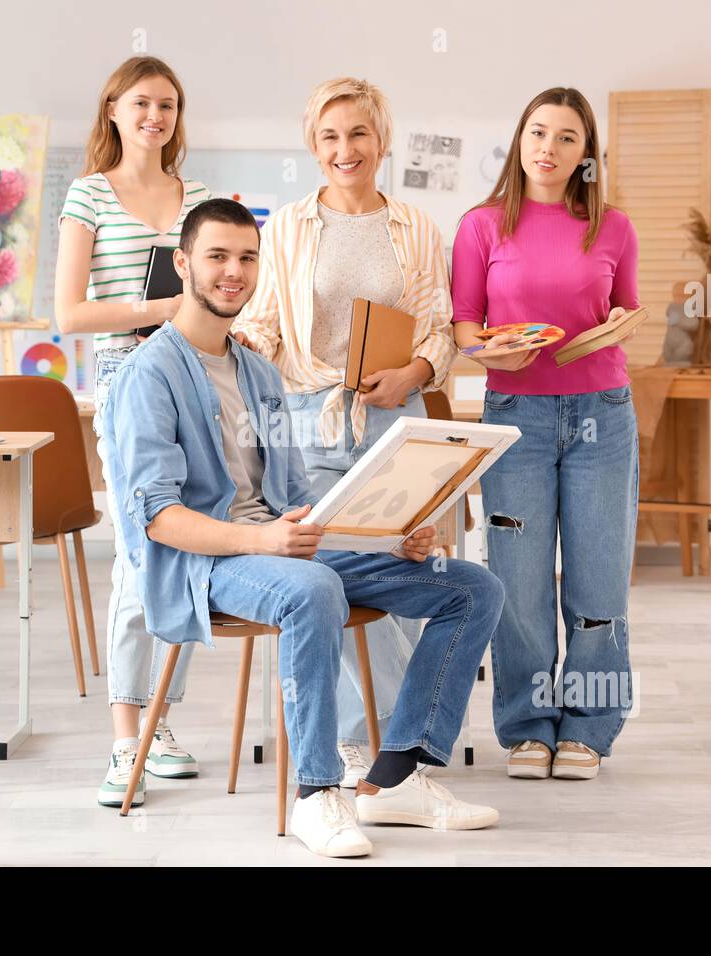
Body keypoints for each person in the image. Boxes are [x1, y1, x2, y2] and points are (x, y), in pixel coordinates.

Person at [104, 199, 504, 857]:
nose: (234, 272)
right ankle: (318, 794)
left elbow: (293, 502)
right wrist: (260, 540)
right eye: (217, 257)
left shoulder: (258, 373)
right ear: (182, 265)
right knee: (312, 589)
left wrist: (386, 536)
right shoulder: (148, 375)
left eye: (246, 258)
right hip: (209, 560)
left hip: (280, 548)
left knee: (469, 589)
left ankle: (398, 776)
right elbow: (159, 521)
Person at [231, 78, 456, 786]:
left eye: (357, 133)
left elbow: (441, 329)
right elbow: (263, 325)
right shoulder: (290, 226)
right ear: (313, 146)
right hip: (312, 423)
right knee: (342, 570)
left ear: (381, 140)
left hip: (398, 423)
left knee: (408, 570)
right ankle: (386, 753)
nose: (344, 149)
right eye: (329, 137)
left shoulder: (416, 227)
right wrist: (225, 354)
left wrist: (414, 373)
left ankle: (382, 750)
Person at [451, 87, 640, 781]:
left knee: (598, 583)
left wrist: (619, 325)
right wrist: (490, 352)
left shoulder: (612, 227)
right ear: (519, 139)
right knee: (518, 581)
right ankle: (529, 727)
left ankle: (589, 729)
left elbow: (627, 309)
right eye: (537, 132)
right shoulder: (480, 225)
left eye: (566, 137)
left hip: (603, 415)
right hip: (514, 416)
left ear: (586, 153)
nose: (548, 149)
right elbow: (465, 324)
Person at [54, 56, 210, 807]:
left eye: (169, 105)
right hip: (126, 379)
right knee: (136, 557)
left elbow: (222, 288)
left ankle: (161, 724)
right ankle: (124, 740)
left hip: (196, 377)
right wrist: (166, 310)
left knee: (186, 553)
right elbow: (70, 316)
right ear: (113, 107)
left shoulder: (200, 197)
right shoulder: (89, 194)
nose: (157, 116)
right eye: (143, 103)